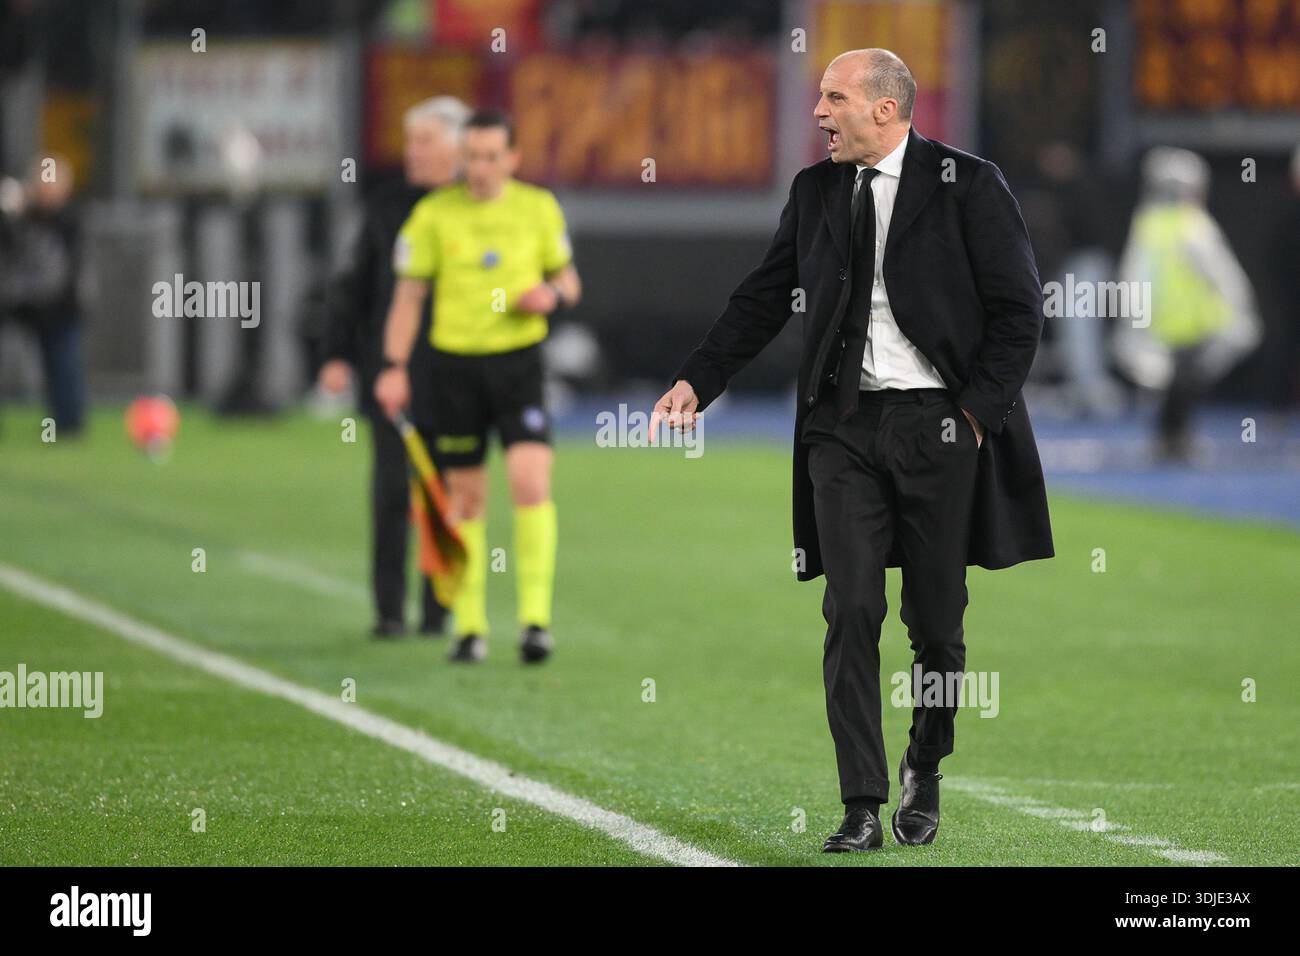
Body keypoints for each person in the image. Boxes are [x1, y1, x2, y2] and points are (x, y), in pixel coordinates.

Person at [651, 49, 1053, 852]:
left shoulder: (968, 185)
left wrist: (973, 417)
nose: (819, 114)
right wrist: (699, 378)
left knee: (936, 626)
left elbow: (1019, 314)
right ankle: (862, 802)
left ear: (885, 109)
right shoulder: (816, 191)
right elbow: (763, 298)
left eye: (833, 98)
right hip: (843, 430)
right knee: (851, 607)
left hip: (941, 428)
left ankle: (926, 762)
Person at [374, 110, 582, 664]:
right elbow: (409, 297)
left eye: (493, 156)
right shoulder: (434, 214)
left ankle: (535, 622)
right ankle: (469, 628)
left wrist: (551, 297)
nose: (482, 167)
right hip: (455, 368)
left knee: (530, 482)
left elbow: (568, 280)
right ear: (461, 158)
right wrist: (393, 366)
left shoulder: (538, 208)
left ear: (512, 158)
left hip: (518, 365)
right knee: (465, 497)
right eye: (472, 156)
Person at [319, 95, 471, 638]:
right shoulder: (387, 208)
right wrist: (337, 353)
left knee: (447, 494)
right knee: (389, 492)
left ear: (459, 146)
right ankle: (388, 610)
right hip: (393, 375)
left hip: (457, 377)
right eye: (410, 140)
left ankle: (439, 610)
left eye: (425, 140)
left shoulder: (480, 208)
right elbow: (354, 286)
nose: (413, 152)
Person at [1113, 147, 1262, 463]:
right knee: (1182, 388)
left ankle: (1171, 440)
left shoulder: (1148, 223)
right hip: (1189, 324)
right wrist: (1240, 309)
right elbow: (1223, 274)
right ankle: (1174, 440)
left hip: (1165, 323)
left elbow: (1132, 275)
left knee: (1177, 388)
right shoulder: (1192, 225)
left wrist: (1131, 319)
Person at [0, 157, 85, 436]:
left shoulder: (68, 217)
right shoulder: (19, 216)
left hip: (60, 307)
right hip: (19, 303)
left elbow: (63, 256)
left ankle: (67, 425)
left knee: (63, 366)